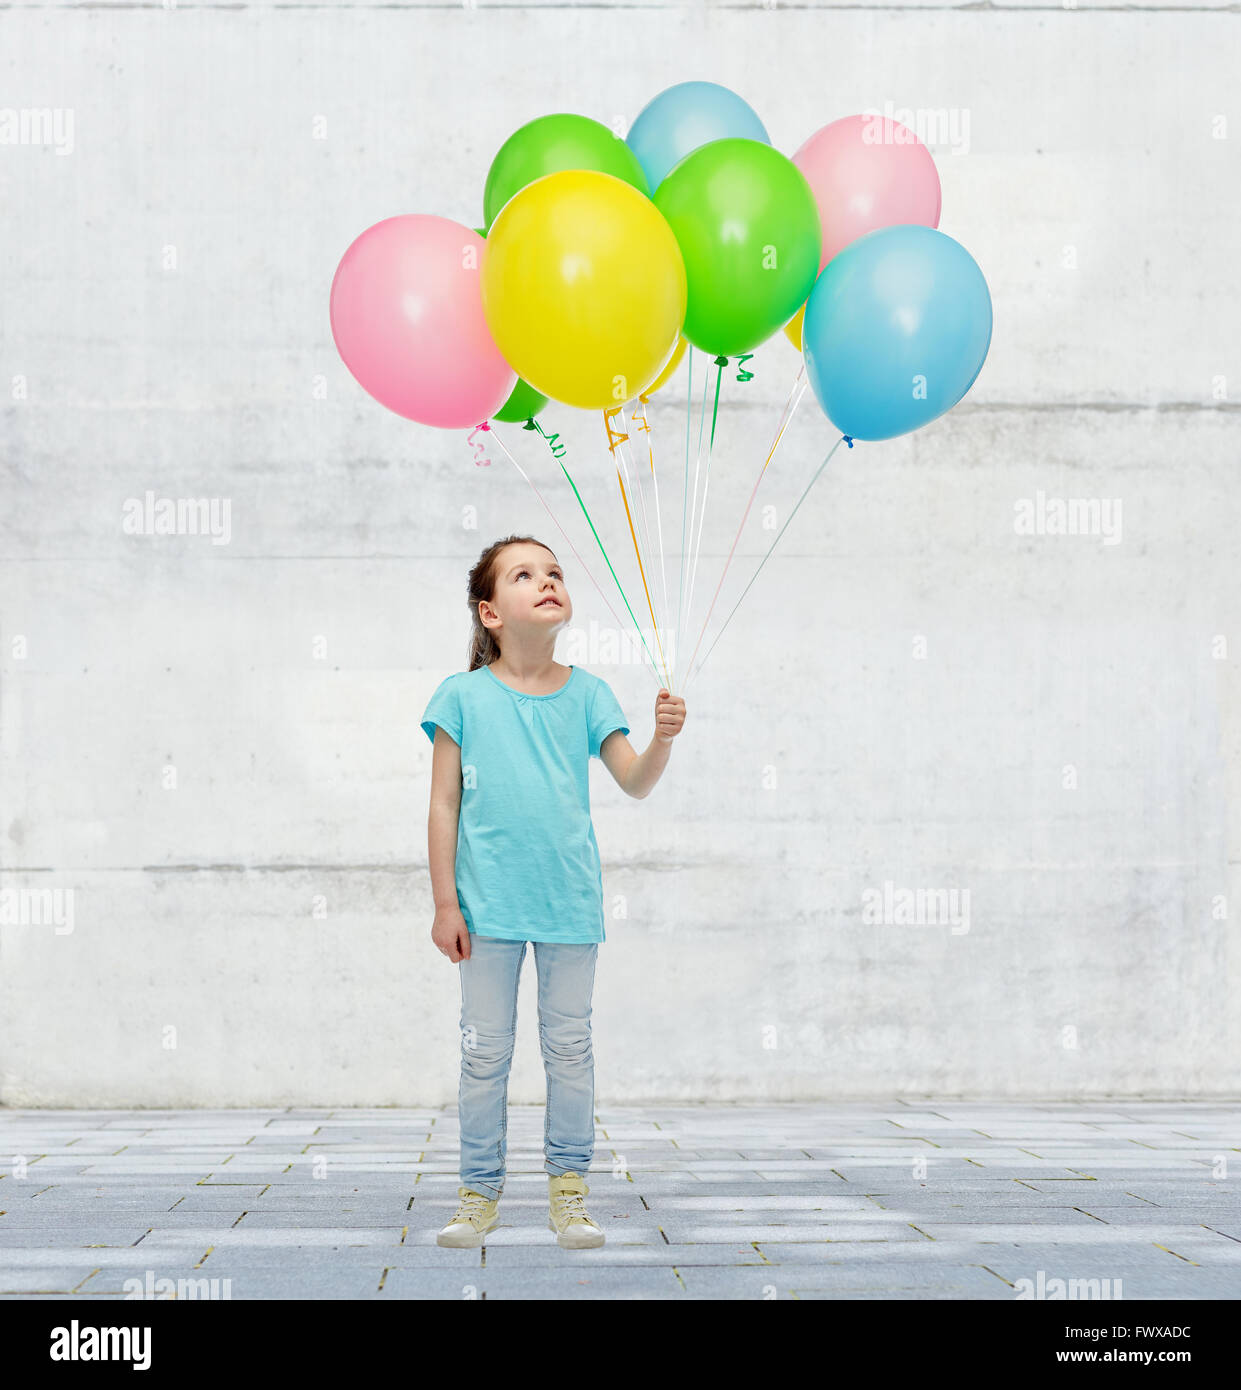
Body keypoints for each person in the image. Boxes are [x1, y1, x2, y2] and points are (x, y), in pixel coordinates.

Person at [421, 535, 686, 1249]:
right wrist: (446, 902)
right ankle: (477, 1194)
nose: (546, 582)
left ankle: (569, 1193)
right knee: (484, 1053)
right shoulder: (461, 696)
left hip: (568, 907)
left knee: (569, 1050)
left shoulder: (590, 693)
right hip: (485, 911)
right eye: (523, 574)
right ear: (491, 611)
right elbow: (444, 803)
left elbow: (632, 782)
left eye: (554, 573)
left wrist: (661, 739)